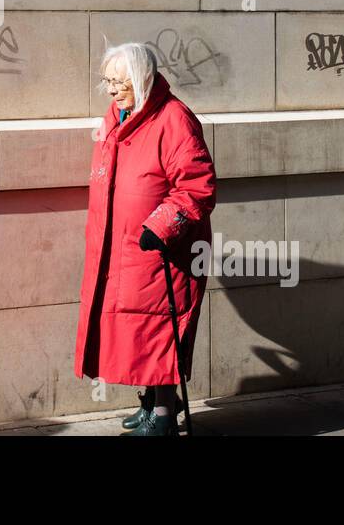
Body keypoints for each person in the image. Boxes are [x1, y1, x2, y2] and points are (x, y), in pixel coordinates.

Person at [75, 42, 216, 436]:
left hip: (163, 249)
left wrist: (163, 225)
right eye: (107, 81)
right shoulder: (119, 117)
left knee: (159, 330)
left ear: (142, 78)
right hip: (123, 249)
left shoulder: (174, 119)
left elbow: (197, 186)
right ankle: (151, 403)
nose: (111, 88)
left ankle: (165, 417)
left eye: (119, 81)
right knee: (136, 330)